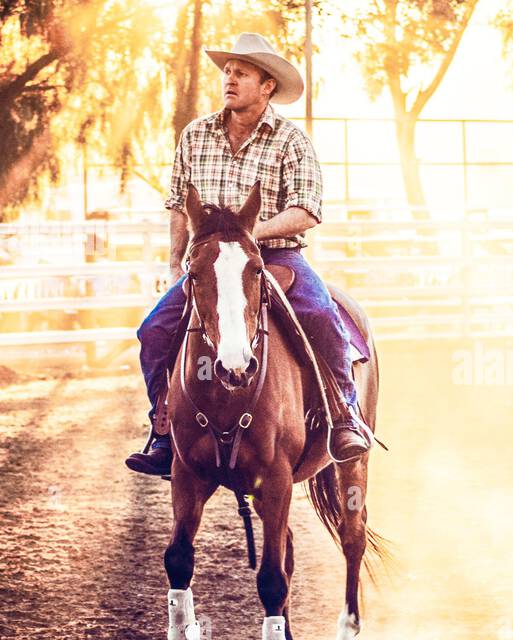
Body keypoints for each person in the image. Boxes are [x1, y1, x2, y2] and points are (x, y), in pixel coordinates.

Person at [126, 33, 369, 476]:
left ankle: (343, 416)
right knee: (154, 330)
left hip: (275, 257)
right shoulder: (195, 135)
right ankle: (162, 428)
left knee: (320, 315)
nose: (230, 79)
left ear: (267, 85)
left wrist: (250, 234)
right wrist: (176, 262)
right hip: (211, 265)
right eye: (228, 71)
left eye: (241, 73)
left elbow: (307, 210)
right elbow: (179, 204)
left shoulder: (291, 141)